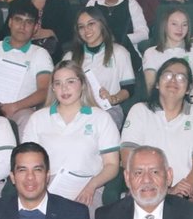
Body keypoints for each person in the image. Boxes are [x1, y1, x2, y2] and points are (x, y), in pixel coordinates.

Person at [20, 61, 121, 211]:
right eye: (58, 83)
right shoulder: (38, 118)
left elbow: (112, 165)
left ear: (83, 84)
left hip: (88, 187)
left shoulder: (100, 118)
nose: (64, 88)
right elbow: (27, 161)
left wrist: (91, 186)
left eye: (70, 82)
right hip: (47, 187)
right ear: (53, 88)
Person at [121, 59, 193, 203]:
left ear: (189, 88)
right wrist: (166, 192)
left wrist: (183, 191)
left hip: (187, 194)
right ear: (157, 83)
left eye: (181, 77)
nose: (173, 81)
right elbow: (128, 158)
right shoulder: (139, 111)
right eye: (168, 76)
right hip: (144, 193)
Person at [0, 3, 54, 128]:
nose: (22, 26)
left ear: (35, 28)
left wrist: (14, 107)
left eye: (28, 22)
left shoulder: (40, 54)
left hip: (19, 110)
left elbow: (45, 90)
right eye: (18, 20)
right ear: (10, 22)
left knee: (29, 119)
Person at [141, 5, 193, 101]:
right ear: (165, 26)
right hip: (161, 105)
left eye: (184, 25)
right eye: (174, 24)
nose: (180, 29)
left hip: (190, 103)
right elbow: (151, 87)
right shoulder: (151, 53)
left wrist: (191, 109)